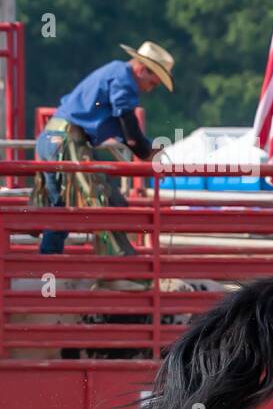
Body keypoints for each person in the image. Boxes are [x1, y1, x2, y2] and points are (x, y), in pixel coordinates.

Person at [32, 41, 174, 255]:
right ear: (142, 69)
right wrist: (148, 154)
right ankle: (116, 262)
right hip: (67, 142)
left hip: (53, 138)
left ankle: (47, 265)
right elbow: (130, 129)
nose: (150, 89)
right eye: (153, 83)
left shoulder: (114, 72)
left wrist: (147, 150)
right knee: (101, 199)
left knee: (61, 206)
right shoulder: (124, 81)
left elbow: (125, 131)